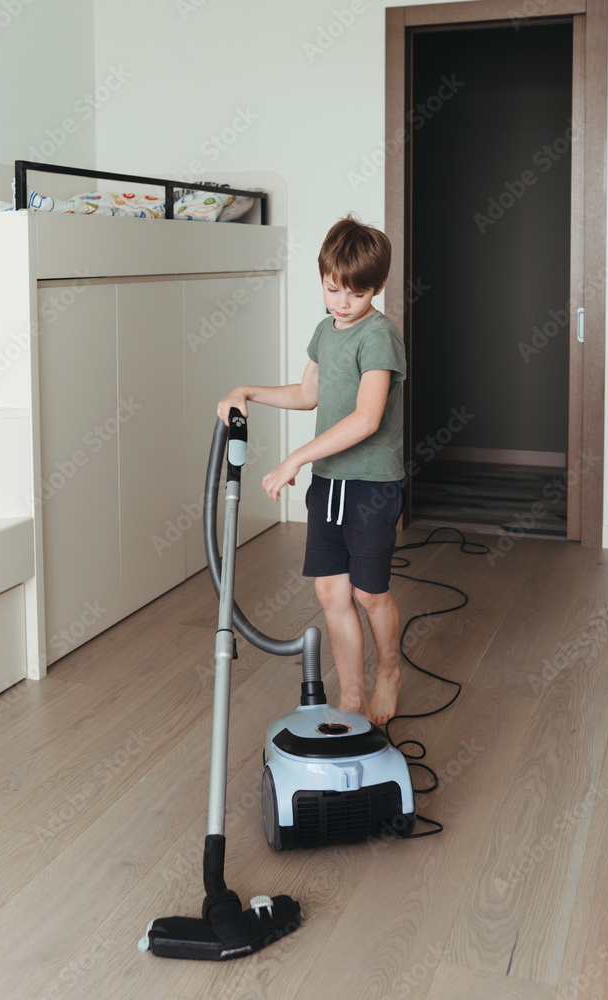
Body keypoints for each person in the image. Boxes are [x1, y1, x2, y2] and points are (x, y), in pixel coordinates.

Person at [217, 215, 406, 726]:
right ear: (323, 279)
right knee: (329, 590)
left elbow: (367, 419)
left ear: (379, 286)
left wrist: (296, 457)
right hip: (330, 482)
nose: (343, 302)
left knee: (367, 591)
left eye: (357, 293)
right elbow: (308, 394)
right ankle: (351, 695)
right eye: (333, 289)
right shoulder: (327, 331)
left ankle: (389, 669)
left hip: (370, 484)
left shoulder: (379, 337)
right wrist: (248, 391)